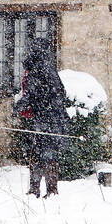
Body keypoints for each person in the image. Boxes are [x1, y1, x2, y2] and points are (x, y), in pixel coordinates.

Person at [14, 38, 69, 197]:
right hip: (48, 117)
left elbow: (33, 94)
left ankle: (49, 191)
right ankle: (36, 189)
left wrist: (18, 107)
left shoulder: (40, 68)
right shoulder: (44, 66)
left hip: (48, 118)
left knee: (44, 154)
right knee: (40, 154)